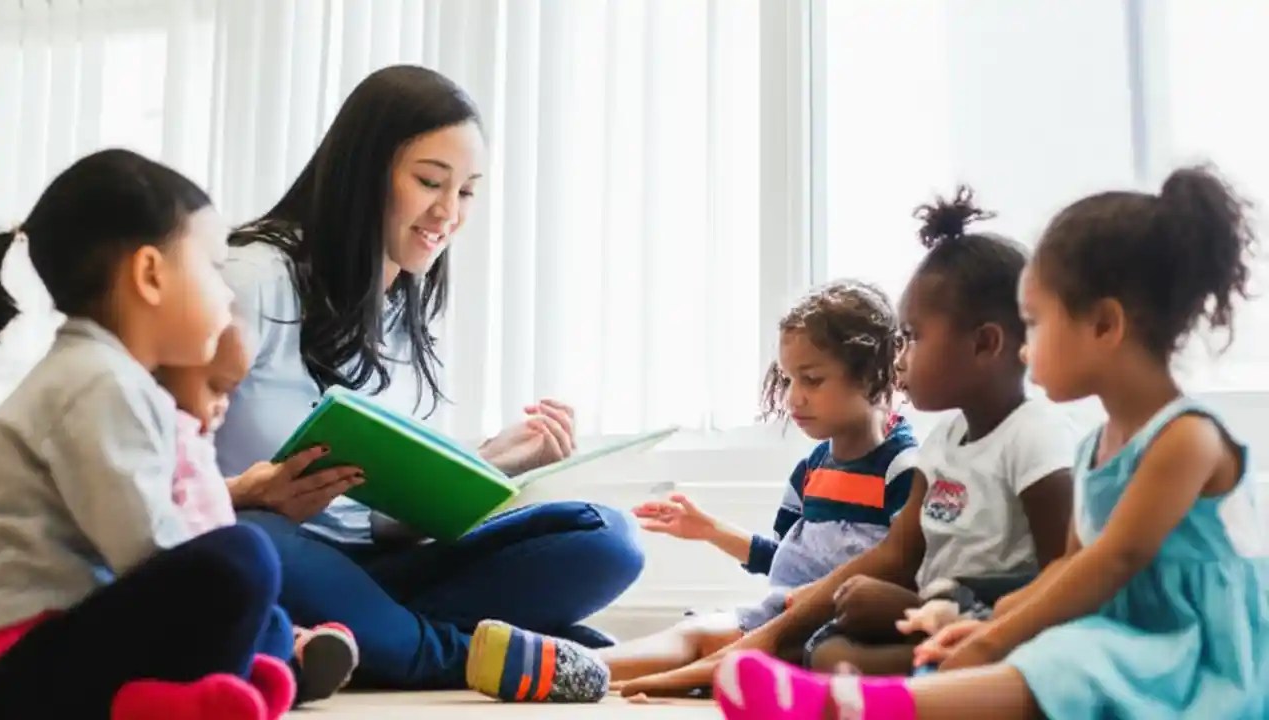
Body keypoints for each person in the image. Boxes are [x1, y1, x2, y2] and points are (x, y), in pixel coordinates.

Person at [713, 165, 1269, 719]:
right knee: (1046, 651)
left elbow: (1110, 563)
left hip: (1198, 655)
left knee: (1065, 658)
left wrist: (989, 639)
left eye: (1035, 323)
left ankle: (854, 707)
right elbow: (1066, 570)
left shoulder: (1185, 438)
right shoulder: (1095, 446)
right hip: (1123, 637)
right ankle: (864, 700)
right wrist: (982, 623)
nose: (1023, 347)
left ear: (1104, 325)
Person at [212, 64, 644, 692]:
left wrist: (490, 463)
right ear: (364, 174)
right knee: (251, 541)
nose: (448, 213)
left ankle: (364, 643)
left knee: (607, 539)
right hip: (272, 548)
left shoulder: (402, 304)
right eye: (428, 182)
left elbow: (381, 520)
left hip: (375, 572)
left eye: (466, 191)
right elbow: (149, 480)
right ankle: (454, 654)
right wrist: (248, 492)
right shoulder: (250, 281)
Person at [616, 188, 1078, 696]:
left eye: (914, 339)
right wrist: (763, 638)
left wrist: (987, 632)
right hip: (939, 613)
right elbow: (895, 555)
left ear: (985, 343)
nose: (899, 361)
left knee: (849, 621)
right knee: (842, 626)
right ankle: (875, 685)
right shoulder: (943, 443)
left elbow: (1066, 576)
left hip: (1007, 620)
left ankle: (884, 690)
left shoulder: (1034, 437)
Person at [467, 281, 919, 700]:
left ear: (872, 373)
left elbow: (905, 565)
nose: (792, 398)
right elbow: (780, 559)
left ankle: (592, 669)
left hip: (841, 624)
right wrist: (709, 530)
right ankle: (563, 667)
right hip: (778, 615)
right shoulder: (811, 470)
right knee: (699, 630)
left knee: (709, 640)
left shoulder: (901, 468)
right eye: (787, 380)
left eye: (812, 380)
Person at [0, 149, 295, 720]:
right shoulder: (94, 382)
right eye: (214, 268)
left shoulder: (112, 376)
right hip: (19, 664)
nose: (228, 297)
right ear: (151, 274)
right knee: (244, 560)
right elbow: (145, 549)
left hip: (67, 640)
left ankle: (154, 700)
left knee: (268, 615)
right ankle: (139, 703)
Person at [157, 322, 359, 704]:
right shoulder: (166, 442)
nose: (222, 405)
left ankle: (292, 660)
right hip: (182, 590)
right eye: (213, 388)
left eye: (230, 393)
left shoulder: (195, 447)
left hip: (216, 591)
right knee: (255, 569)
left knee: (268, 620)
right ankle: (290, 657)